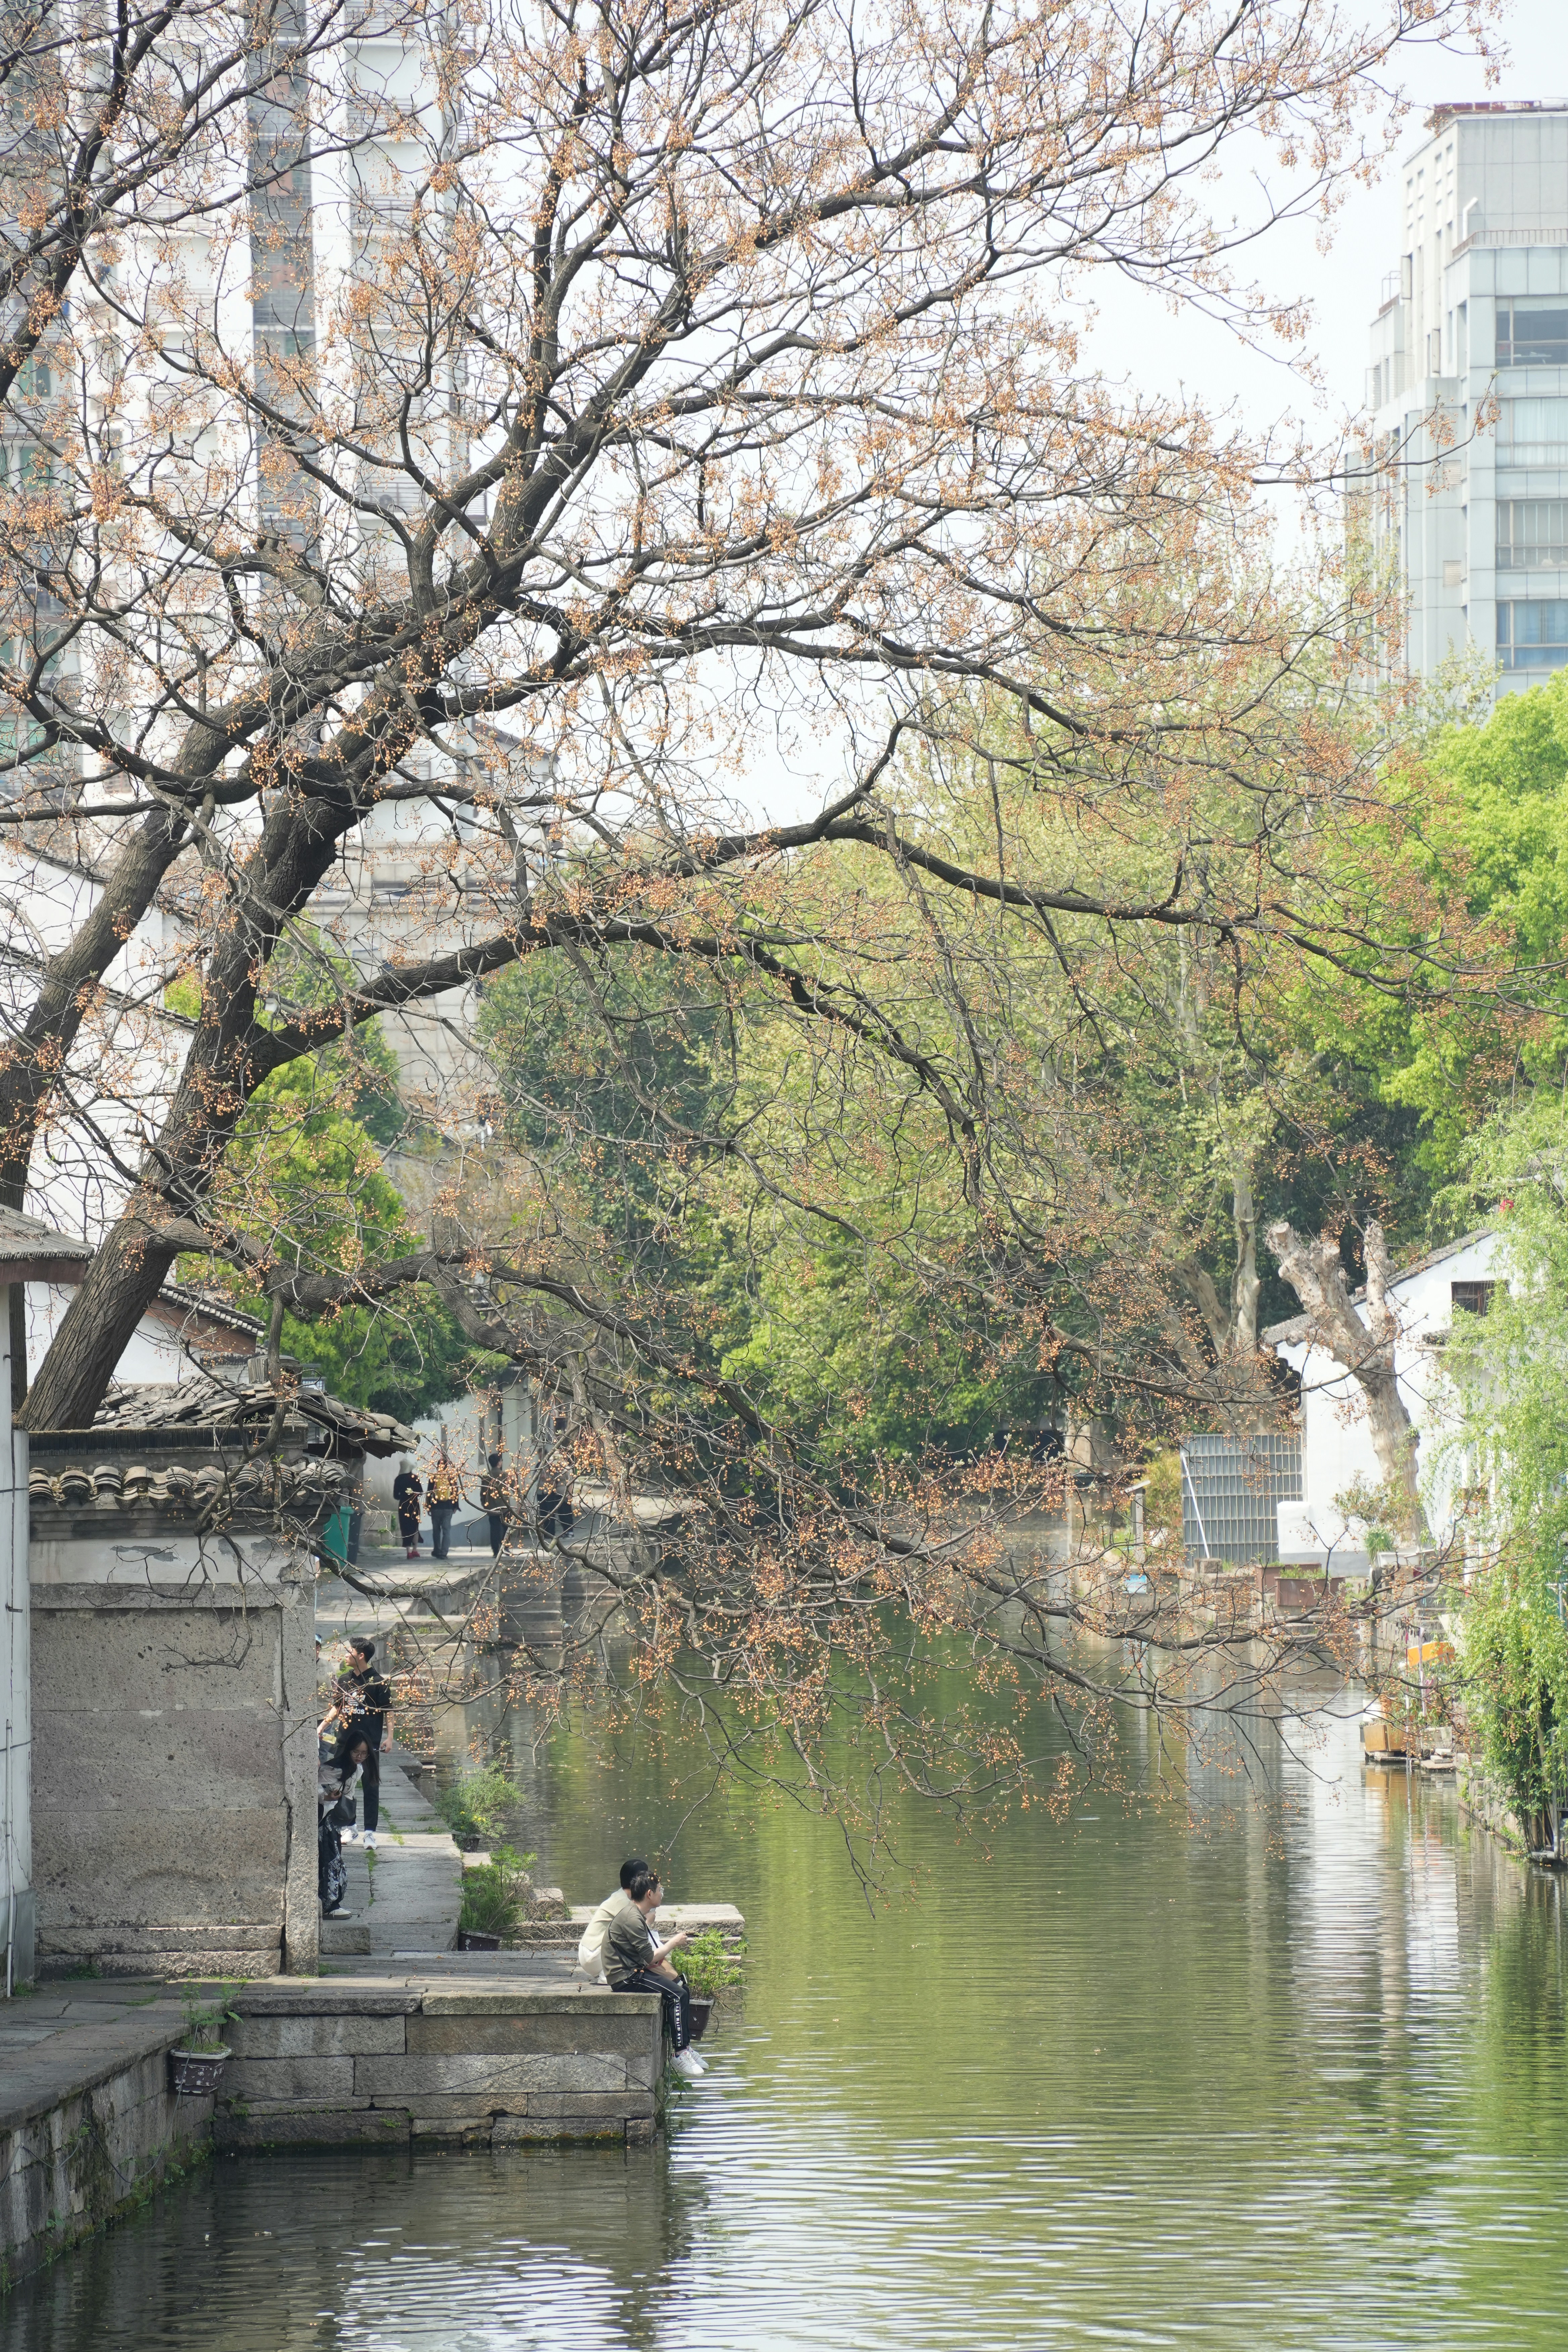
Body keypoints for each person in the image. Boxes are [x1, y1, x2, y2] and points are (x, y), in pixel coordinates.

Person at [604, 1869, 706, 2079]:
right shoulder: (633, 1917)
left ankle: (685, 2047)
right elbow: (650, 1957)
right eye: (661, 1890)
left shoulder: (635, 1914)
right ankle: (679, 2054)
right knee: (678, 1995)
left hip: (633, 1971)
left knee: (681, 1986)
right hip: (625, 1978)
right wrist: (674, 1943)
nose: (662, 1894)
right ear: (650, 1894)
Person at [339, 1636, 393, 1848]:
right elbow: (337, 1708)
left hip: (370, 1745)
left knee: (371, 1787)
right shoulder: (344, 1680)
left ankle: (370, 1833)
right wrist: (322, 1727)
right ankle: (349, 1827)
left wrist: (389, 1738)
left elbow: (389, 1712)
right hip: (346, 1743)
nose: (345, 1655)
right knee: (344, 1786)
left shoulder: (378, 1682)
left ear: (360, 1656)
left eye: (349, 1651)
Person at [576, 1856, 650, 1980]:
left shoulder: (622, 1896)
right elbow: (639, 1934)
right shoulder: (624, 1903)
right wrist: (650, 1921)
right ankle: (610, 1975)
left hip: (591, 1953)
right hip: (593, 1956)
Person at [428, 1452, 462, 1560]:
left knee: (436, 1530)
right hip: (448, 1507)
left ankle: (437, 1551)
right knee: (447, 1531)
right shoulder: (451, 1478)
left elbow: (429, 1492)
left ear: (438, 1466)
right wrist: (456, 1506)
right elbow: (456, 1491)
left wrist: (429, 1506)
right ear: (448, 1467)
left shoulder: (433, 1477)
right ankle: (444, 1553)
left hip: (436, 1508)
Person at [480, 1451, 510, 1558]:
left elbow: (483, 1493)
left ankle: (495, 1550)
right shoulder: (505, 1475)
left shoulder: (486, 1477)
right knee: (506, 1528)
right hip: (504, 1507)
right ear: (499, 1463)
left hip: (491, 1508)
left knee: (494, 1529)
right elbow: (513, 1489)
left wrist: (485, 1504)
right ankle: (505, 1547)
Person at [392, 1458, 424, 1558]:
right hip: (414, 1505)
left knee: (405, 1528)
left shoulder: (398, 1479)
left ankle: (409, 1552)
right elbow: (421, 1492)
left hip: (403, 1506)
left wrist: (403, 1496)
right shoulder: (415, 1478)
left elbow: (396, 1496)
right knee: (415, 1527)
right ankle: (415, 1550)